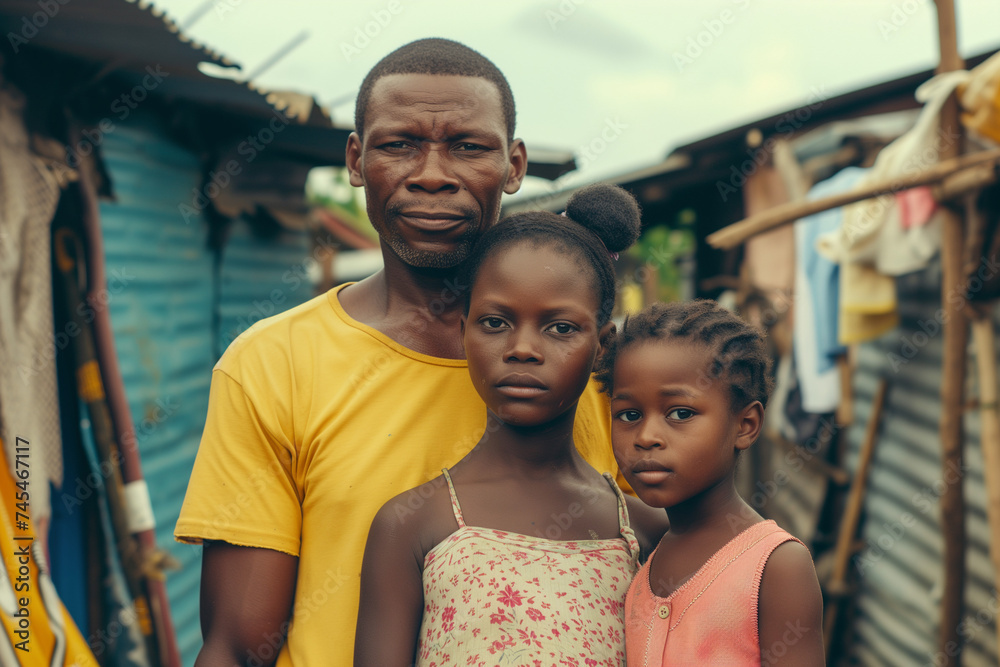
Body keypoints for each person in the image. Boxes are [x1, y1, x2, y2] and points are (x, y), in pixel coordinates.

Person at [175, 39, 630, 667]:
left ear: (514, 165)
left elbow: (669, 583)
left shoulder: (600, 369)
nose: (432, 174)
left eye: (468, 147)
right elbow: (235, 646)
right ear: (356, 161)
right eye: (399, 145)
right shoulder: (272, 364)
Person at [354, 183, 667, 666]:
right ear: (463, 333)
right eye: (495, 323)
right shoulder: (411, 524)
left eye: (560, 328)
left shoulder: (645, 533)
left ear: (603, 347)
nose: (522, 349)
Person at [597, 301, 825, 666]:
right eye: (629, 415)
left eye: (680, 413)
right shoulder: (644, 551)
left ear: (745, 425)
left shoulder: (777, 566)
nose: (646, 436)